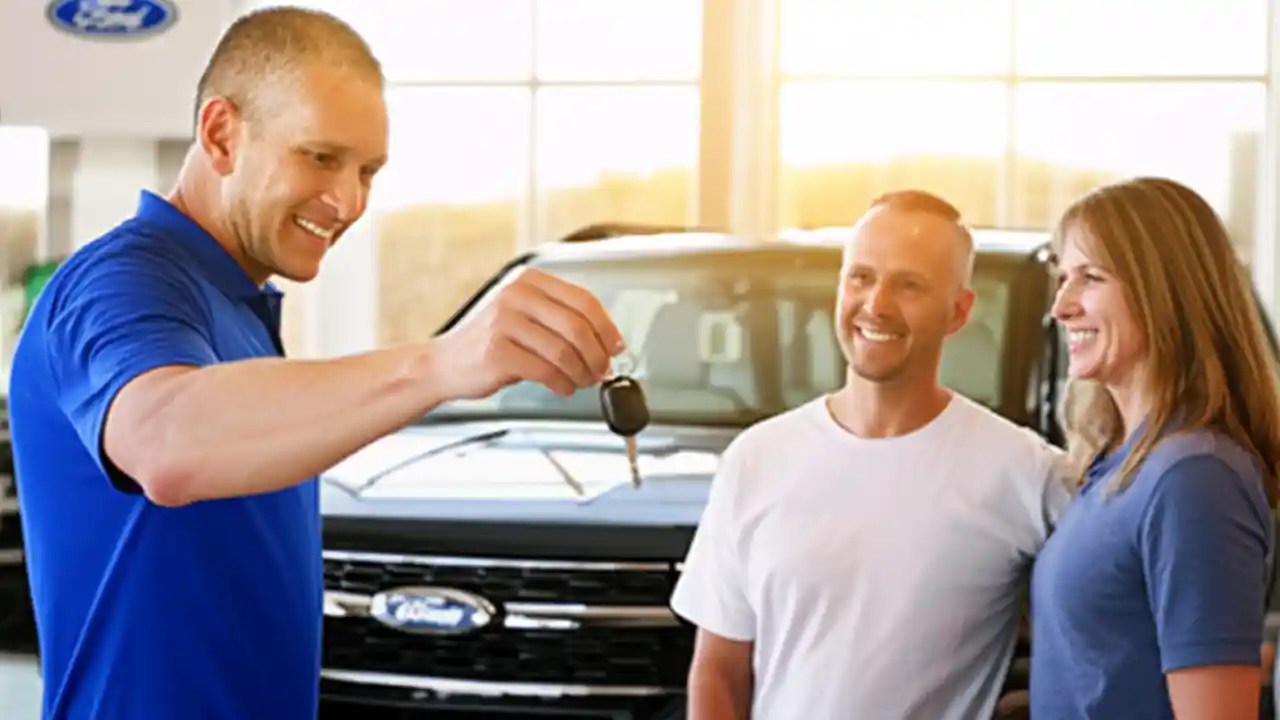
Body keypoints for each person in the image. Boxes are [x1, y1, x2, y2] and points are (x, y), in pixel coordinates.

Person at [8, 8, 625, 720]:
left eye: (369, 171)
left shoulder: (236, 306)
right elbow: (165, 440)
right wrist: (440, 364)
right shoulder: (121, 280)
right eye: (321, 157)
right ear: (221, 134)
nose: (349, 201)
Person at [669, 189, 1070, 719]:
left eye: (909, 285)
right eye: (860, 277)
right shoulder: (756, 459)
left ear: (957, 312)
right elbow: (720, 669)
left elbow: (1114, 622)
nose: (876, 304)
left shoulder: (1025, 472)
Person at [1031, 176, 1279, 719]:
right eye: (1063, 278)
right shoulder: (1124, 462)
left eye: (1091, 278)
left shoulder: (1194, 477)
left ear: (1165, 294)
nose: (1061, 306)